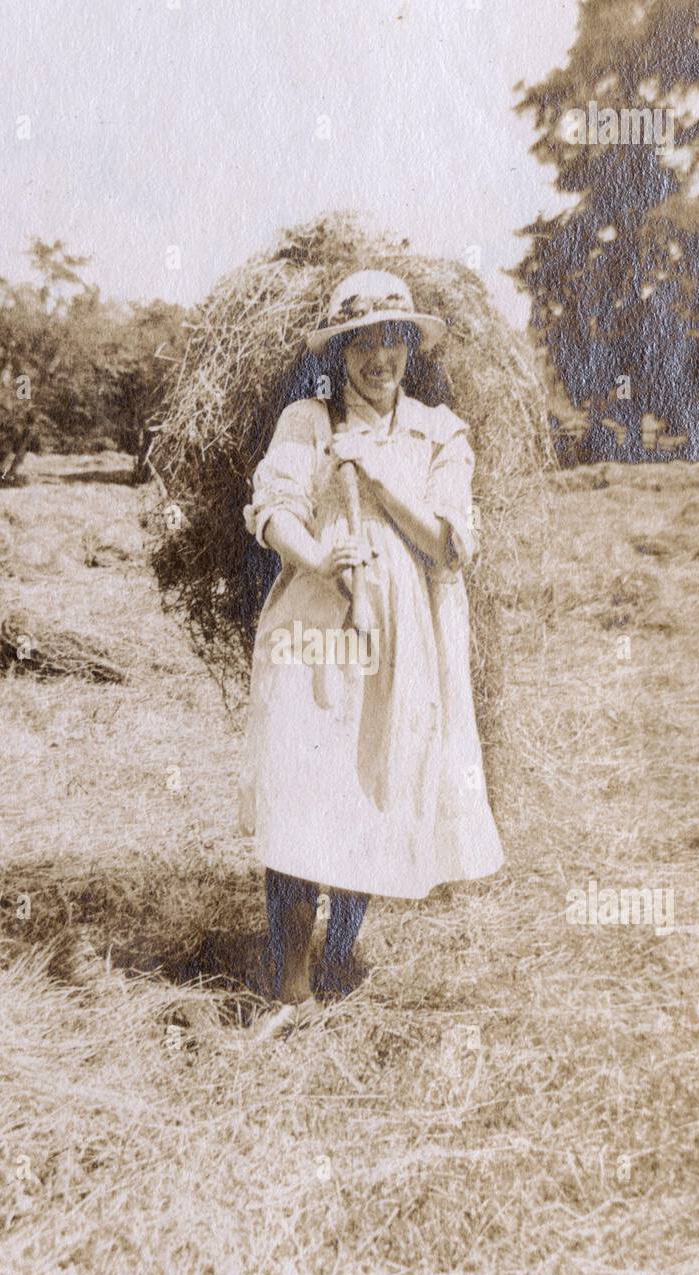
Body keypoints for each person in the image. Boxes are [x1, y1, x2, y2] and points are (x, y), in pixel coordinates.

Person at [240, 269, 503, 1032]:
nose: (379, 357)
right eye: (363, 342)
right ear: (342, 351)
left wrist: (381, 480)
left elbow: (451, 547)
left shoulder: (439, 431)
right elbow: (272, 511)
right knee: (299, 784)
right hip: (313, 626)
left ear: (411, 349)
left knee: (370, 783)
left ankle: (339, 957)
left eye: (394, 339)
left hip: (405, 637)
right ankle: (289, 987)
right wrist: (318, 556)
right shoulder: (306, 421)